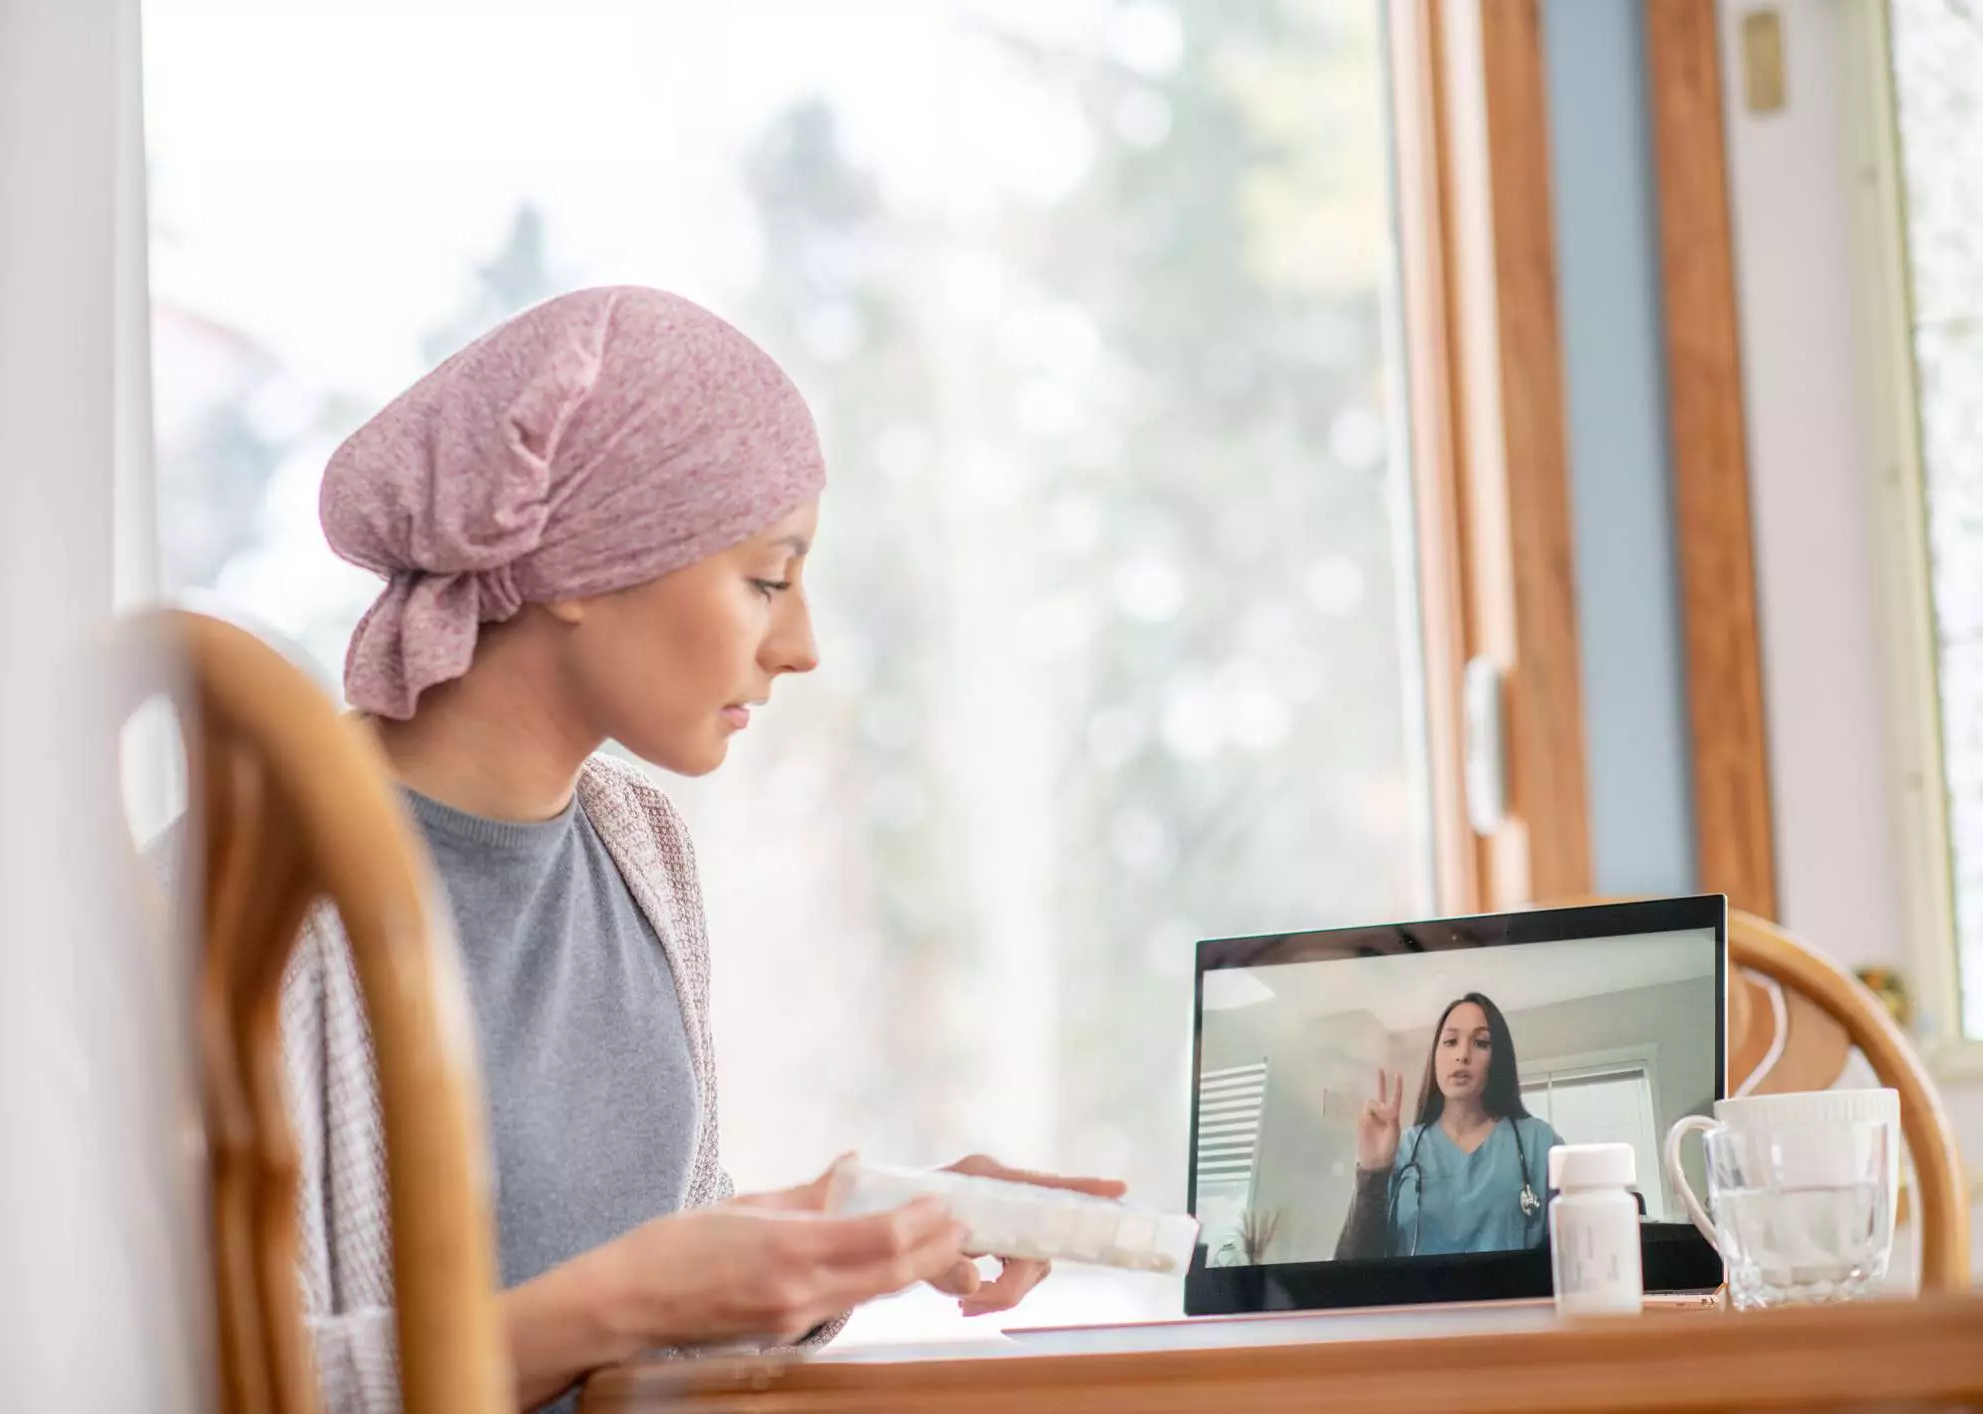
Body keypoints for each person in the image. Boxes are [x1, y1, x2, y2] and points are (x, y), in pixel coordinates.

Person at [274, 286, 1123, 1413]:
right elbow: (217, 1372)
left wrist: (857, 1224)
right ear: (579, 563)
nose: (804, 645)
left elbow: (633, 1270)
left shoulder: (640, 846)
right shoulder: (257, 887)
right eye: (767, 580)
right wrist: (618, 1301)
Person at [1333, 992, 1561, 1260]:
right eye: (1451, 1041)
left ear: (1498, 1057)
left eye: (1481, 1043)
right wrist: (1372, 1173)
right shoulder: (1402, 1149)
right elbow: (1350, 1273)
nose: (1462, 1055)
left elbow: (1573, 1257)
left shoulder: (1540, 1143)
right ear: (1435, 1057)